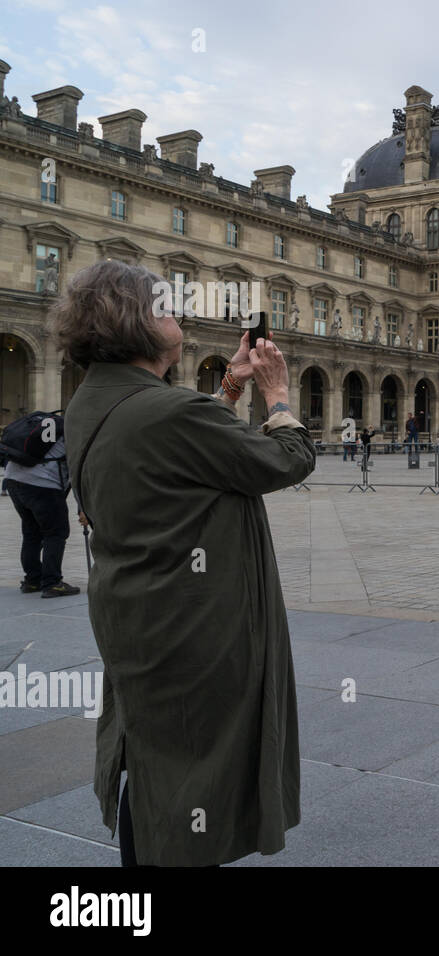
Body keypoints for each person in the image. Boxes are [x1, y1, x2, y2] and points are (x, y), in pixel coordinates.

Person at [55, 258, 314, 867]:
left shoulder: (92, 402)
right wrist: (277, 393)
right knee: (193, 767)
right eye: (166, 305)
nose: (179, 313)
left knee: (152, 755)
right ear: (137, 322)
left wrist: (228, 389)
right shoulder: (169, 413)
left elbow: (184, 448)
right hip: (193, 624)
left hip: (136, 611)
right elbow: (287, 460)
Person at [2, 415, 80, 597]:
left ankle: (32, 581)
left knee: (31, 533)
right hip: (43, 485)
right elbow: (77, 470)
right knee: (56, 533)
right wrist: (82, 508)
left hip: (14, 480)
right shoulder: (71, 434)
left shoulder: (44, 428)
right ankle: (52, 583)